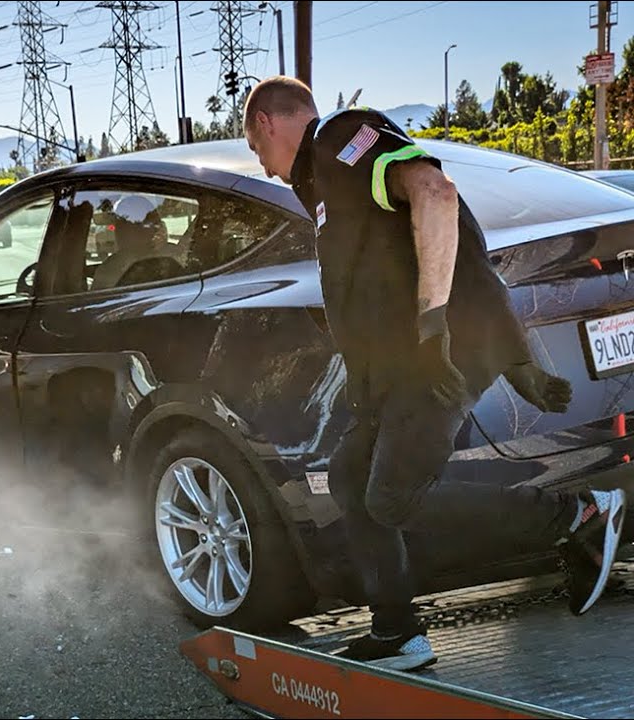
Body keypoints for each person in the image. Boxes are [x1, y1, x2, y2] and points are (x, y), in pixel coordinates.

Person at [241, 76, 627, 672]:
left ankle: (579, 513)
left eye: (255, 148)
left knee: (392, 498)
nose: (263, 167)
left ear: (268, 123)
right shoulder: (323, 181)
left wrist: (432, 324)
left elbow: (435, 192)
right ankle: (397, 632)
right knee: (350, 477)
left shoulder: (342, 137)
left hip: (439, 351)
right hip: (396, 366)